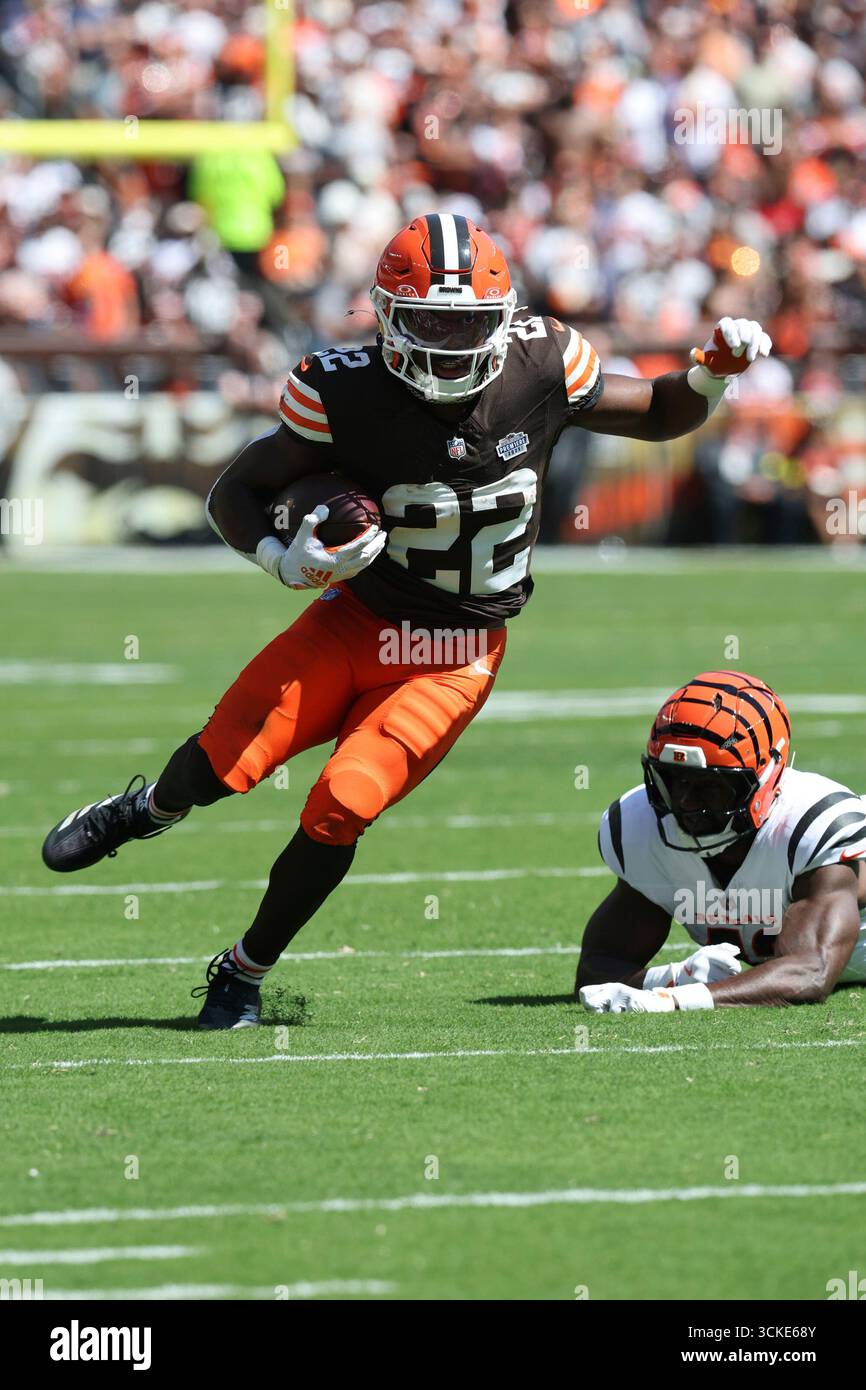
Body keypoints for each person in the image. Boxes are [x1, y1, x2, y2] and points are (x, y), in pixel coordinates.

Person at [41, 212, 772, 1029]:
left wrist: (710, 370)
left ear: (503, 320)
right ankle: (146, 812)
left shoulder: (542, 363)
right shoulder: (343, 388)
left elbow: (659, 412)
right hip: (357, 621)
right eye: (427, 319)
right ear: (385, 313)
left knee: (343, 802)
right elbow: (233, 492)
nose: (445, 341)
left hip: (456, 653)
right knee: (224, 759)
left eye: (464, 324)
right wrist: (284, 561)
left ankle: (243, 973)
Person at [577, 670, 866, 1013]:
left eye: (711, 787)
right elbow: (599, 969)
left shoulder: (813, 825)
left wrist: (674, 1000)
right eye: (674, 780)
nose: (685, 803)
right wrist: (670, 978)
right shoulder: (644, 830)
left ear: (765, 778)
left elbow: (810, 972)